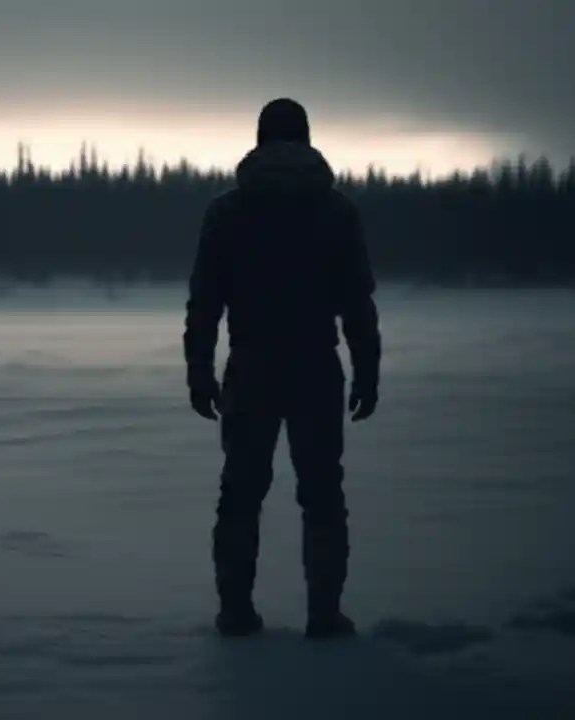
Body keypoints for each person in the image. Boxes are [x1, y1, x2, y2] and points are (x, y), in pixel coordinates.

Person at [184, 98, 382, 639]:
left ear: (259, 139)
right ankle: (324, 614)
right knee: (323, 492)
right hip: (317, 366)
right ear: (307, 138)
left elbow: (205, 300)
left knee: (240, 491)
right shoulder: (336, 211)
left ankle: (236, 611)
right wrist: (367, 367)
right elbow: (357, 300)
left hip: (251, 367)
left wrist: (199, 367)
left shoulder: (228, 211)